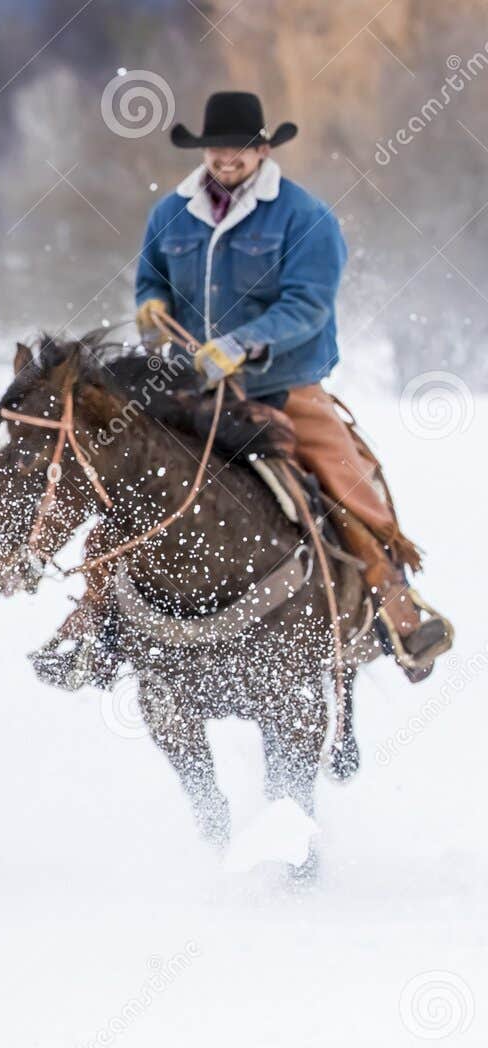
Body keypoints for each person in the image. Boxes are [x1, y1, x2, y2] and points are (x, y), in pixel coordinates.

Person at [48, 91, 453, 687]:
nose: (226, 158)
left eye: (239, 148)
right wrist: (150, 304)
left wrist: (241, 344)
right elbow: (150, 275)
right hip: (189, 389)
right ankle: (94, 620)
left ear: (263, 150)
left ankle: (396, 610)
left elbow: (308, 305)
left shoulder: (304, 216)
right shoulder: (171, 213)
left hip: (281, 386)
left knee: (347, 486)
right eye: (217, 147)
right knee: (128, 479)